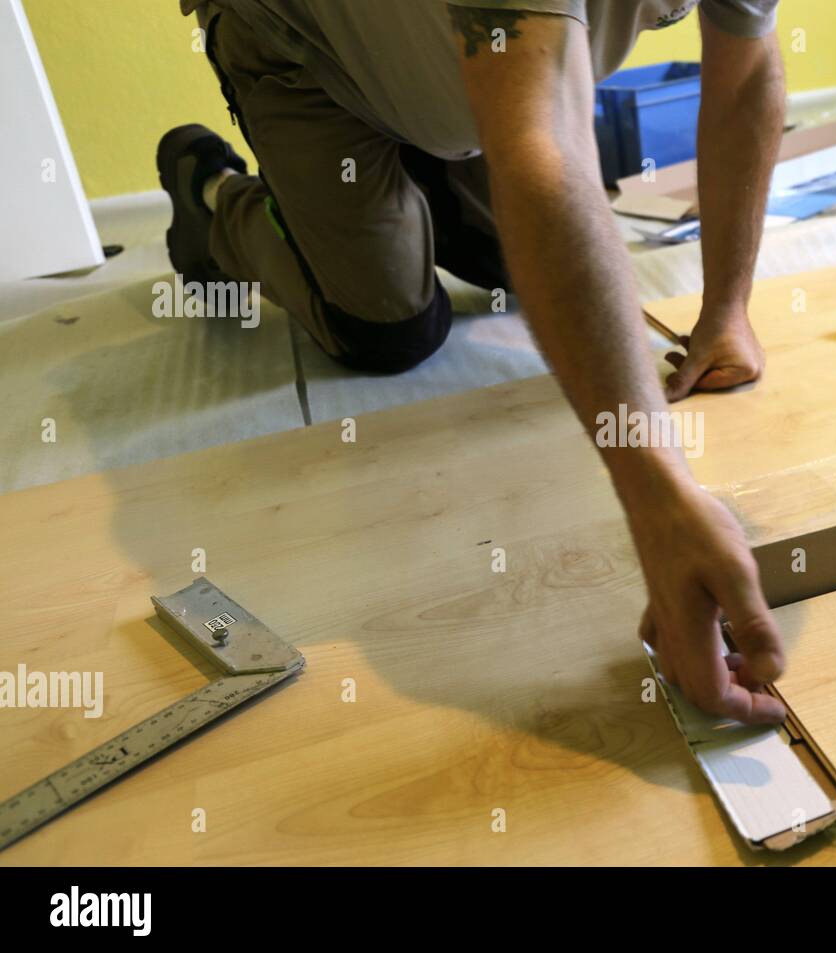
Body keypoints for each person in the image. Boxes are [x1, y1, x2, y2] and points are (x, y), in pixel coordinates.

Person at [159, 0, 789, 723]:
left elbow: (744, 75)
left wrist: (727, 308)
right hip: (303, 57)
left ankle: (421, 164)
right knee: (387, 328)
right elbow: (544, 151)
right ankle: (215, 198)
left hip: (457, 60)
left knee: (529, 267)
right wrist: (661, 500)